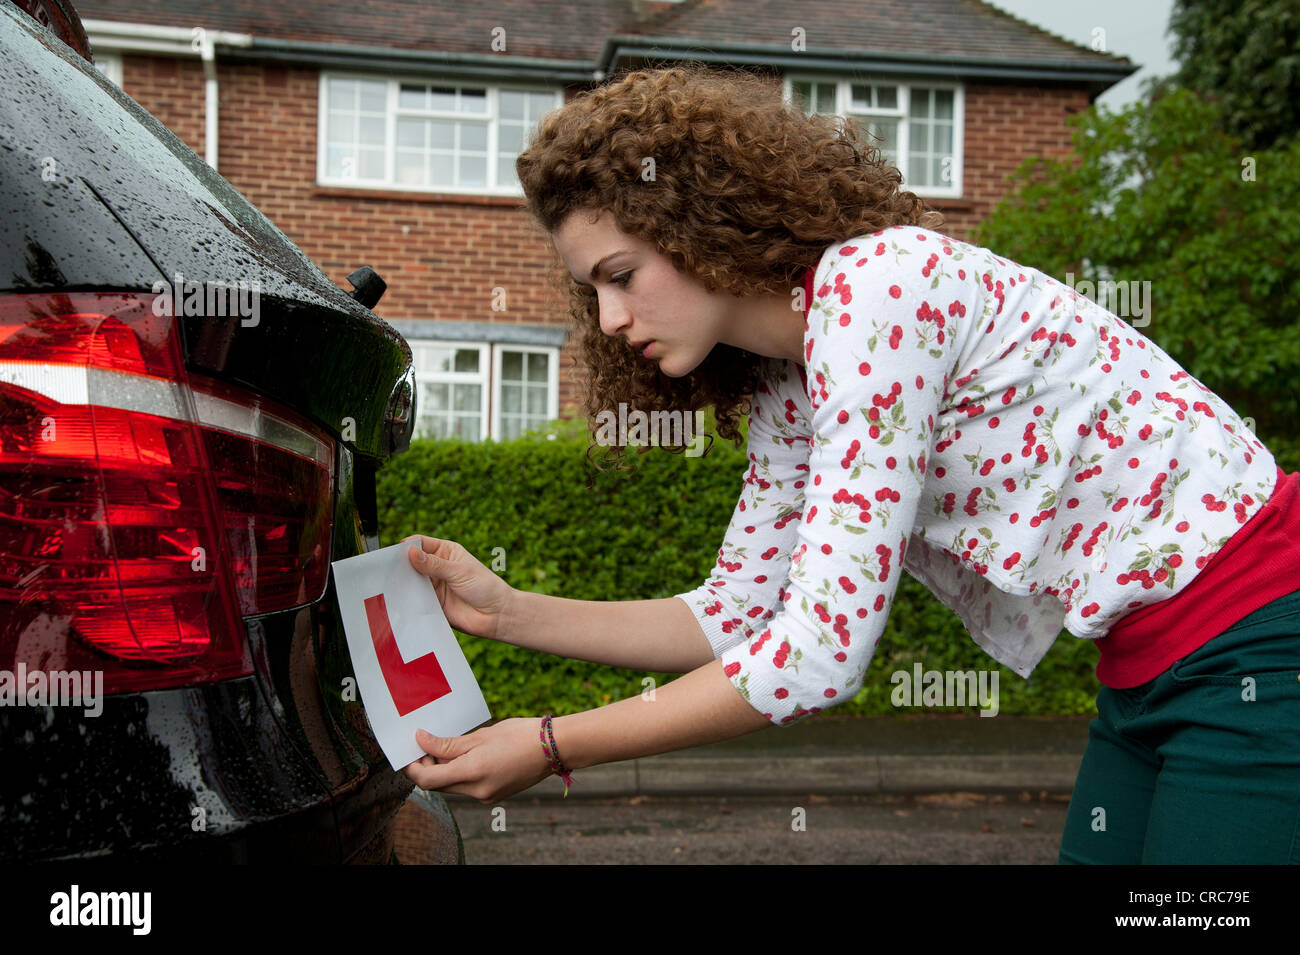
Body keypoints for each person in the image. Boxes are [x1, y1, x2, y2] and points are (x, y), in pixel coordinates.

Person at [399, 64, 1300, 864]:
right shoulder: (793, 382)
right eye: (590, 287)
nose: (606, 320)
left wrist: (550, 744)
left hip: (1261, 640)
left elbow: (819, 654)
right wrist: (509, 611)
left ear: (696, 222)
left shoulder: (879, 288)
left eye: (621, 273)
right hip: (1144, 673)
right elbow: (737, 614)